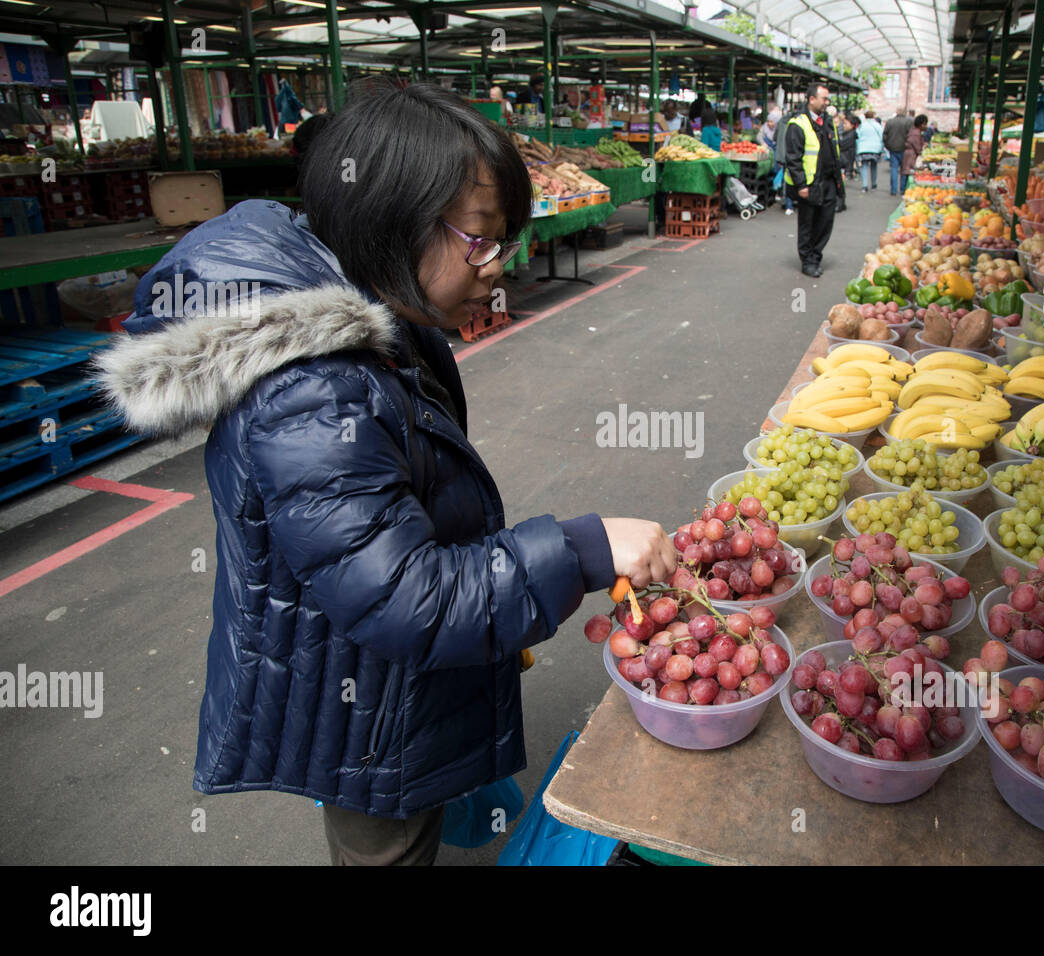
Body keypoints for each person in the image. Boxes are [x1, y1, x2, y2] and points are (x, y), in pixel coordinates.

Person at [93, 83, 676, 866]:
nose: (498, 267)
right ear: (395, 222)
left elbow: (399, 516)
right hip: (359, 706)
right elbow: (404, 594)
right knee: (387, 843)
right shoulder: (311, 384)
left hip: (387, 682)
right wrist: (577, 552)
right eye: (481, 239)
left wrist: (494, 592)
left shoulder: (383, 316)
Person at [784, 82, 841, 277]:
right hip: (809, 184)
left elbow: (833, 151)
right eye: (824, 98)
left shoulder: (827, 121)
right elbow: (792, 158)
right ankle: (807, 260)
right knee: (808, 224)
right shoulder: (798, 123)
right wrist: (801, 185)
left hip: (828, 182)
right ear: (811, 99)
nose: (827, 102)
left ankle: (816, 255)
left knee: (825, 222)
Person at [882, 107, 911, 195]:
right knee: (903, 169)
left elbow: (885, 135)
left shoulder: (890, 121)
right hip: (904, 148)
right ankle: (902, 189)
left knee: (894, 169)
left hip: (893, 148)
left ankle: (893, 190)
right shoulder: (908, 122)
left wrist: (887, 146)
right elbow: (910, 135)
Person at [856, 109, 884, 191]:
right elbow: (881, 136)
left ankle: (864, 185)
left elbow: (857, 136)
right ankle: (873, 184)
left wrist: (858, 147)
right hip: (875, 148)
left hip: (863, 148)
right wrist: (881, 148)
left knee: (864, 166)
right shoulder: (877, 125)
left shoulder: (862, 125)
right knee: (874, 166)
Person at [836, 115, 858, 213]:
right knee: (841, 184)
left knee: (841, 184)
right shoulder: (848, 134)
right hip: (845, 161)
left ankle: (840, 203)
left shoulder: (850, 135)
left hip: (845, 162)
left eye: (845, 123)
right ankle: (841, 203)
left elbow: (842, 146)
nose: (843, 125)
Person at [901, 113, 927, 179]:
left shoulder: (915, 131)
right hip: (911, 156)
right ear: (921, 124)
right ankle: (903, 189)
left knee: (907, 173)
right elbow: (917, 147)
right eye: (925, 124)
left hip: (910, 154)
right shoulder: (916, 133)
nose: (926, 126)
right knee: (907, 173)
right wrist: (921, 151)